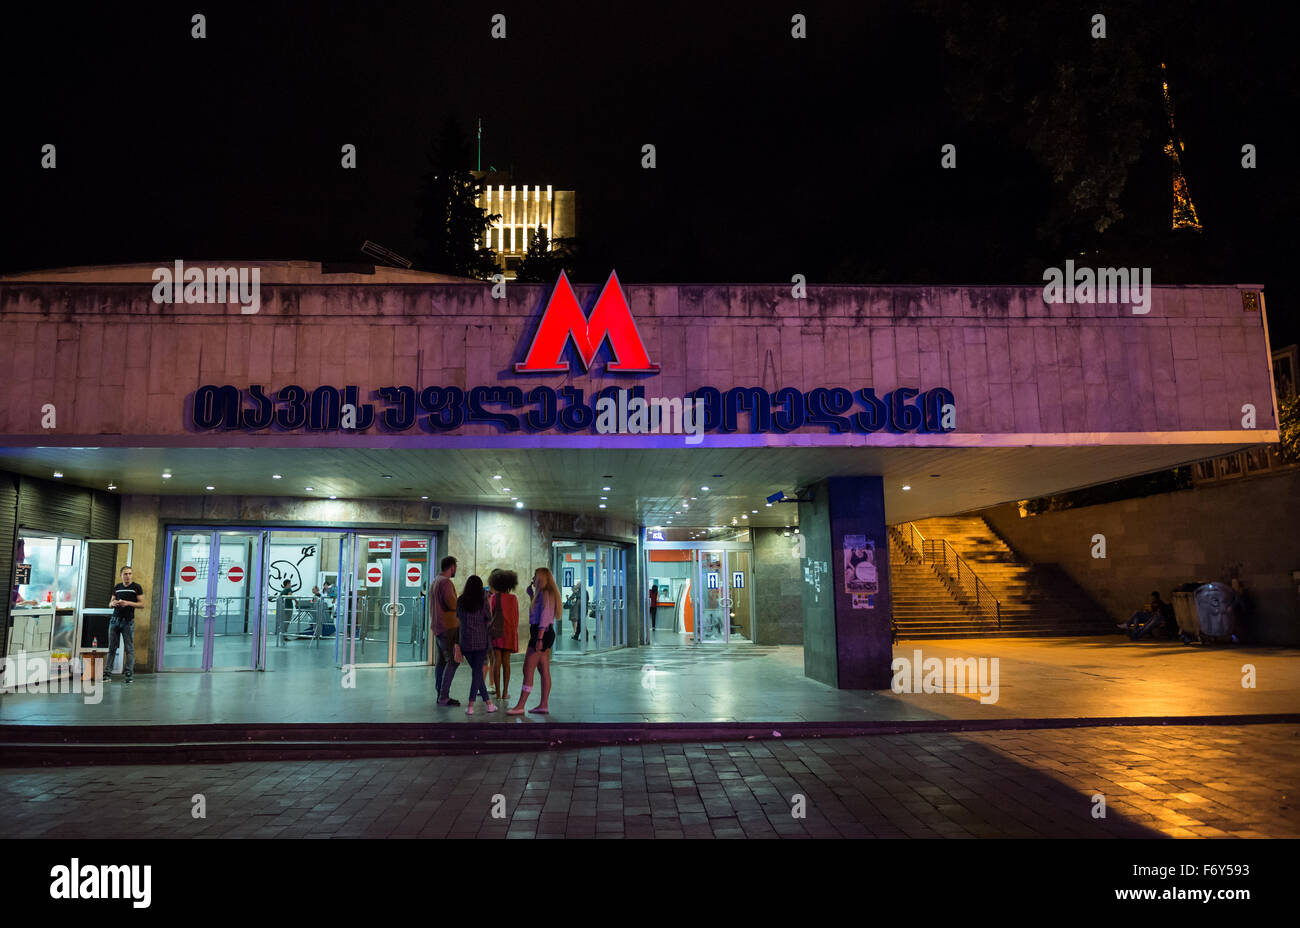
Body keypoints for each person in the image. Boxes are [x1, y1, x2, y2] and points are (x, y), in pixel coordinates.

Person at [507, 567, 559, 715]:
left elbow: (545, 617)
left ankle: (520, 705)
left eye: (535, 576)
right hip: (542, 632)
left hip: (541, 633)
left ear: (541, 578)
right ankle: (543, 705)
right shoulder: (541, 593)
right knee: (543, 670)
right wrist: (531, 596)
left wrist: (539, 638)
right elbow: (537, 613)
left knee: (527, 669)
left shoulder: (546, 593)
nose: (533, 578)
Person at [455, 575, 497, 715]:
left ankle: (489, 704)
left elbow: (459, 618)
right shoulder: (482, 601)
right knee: (477, 673)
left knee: (477, 673)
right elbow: (489, 618)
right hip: (480, 642)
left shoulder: (461, 600)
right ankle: (471, 706)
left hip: (465, 642)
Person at [107, 566, 146, 684]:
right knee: (112, 648)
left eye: (129, 574)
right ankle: (107, 674)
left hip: (127, 622)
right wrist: (113, 603)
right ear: (121, 575)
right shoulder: (117, 587)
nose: (128, 576)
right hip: (114, 620)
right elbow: (110, 603)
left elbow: (142, 604)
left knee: (129, 649)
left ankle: (129, 675)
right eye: (125, 574)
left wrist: (127, 603)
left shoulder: (136, 587)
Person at [488, 569, 520, 703]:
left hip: (496, 632)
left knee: (496, 662)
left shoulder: (494, 597)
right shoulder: (513, 598)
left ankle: (498, 694)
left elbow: (490, 615)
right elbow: (516, 617)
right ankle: (506, 692)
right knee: (507, 663)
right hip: (509, 633)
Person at [432, 556, 461, 707]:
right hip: (448, 627)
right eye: (455, 566)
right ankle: (444, 696)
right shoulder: (446, 582)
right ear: (451, 567)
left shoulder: (435, 581)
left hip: (438, 627)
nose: (456, 569)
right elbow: (451, 603)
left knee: (441, 662)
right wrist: (461, 602)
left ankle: (440, 693)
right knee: (454, 661)